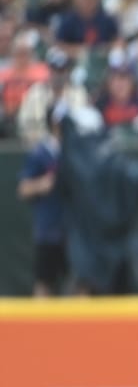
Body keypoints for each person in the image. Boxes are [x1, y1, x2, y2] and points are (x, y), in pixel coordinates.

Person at [17, 105, 66, 295]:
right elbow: (23, 189)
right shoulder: (40, 152)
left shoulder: (72, 151)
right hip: (48, 229)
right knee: (44, 282)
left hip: (71, 229)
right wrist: (44, 184)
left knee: (78, 282)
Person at [54, 0, 120, 55]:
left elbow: (118, 42)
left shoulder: (107, 20)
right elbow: (59, 46)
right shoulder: (68, 20)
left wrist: (103, 50)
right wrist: (79, 51)